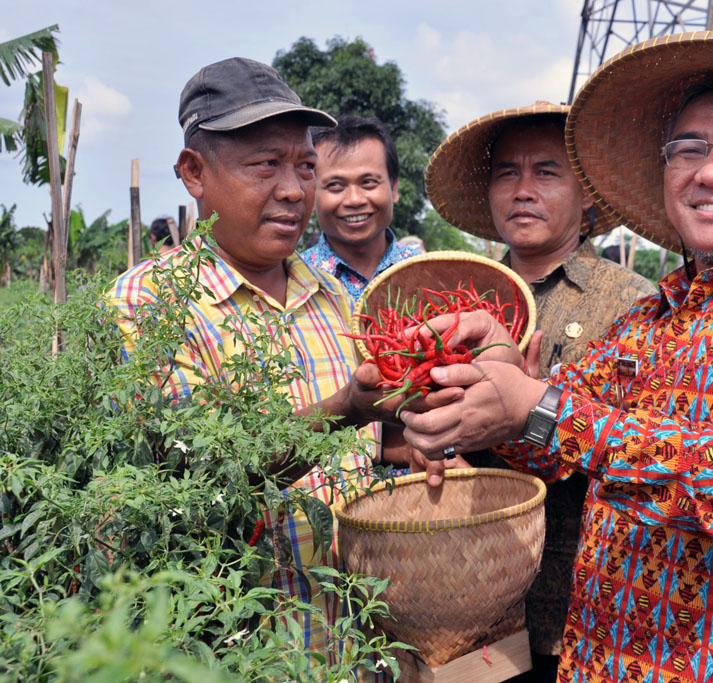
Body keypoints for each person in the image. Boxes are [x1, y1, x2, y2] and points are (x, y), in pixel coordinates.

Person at [401, 32, 713, 682]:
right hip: (596, 661)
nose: (710, 169)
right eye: (688, 149)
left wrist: (537, 405)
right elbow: (549, 443)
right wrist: (496, 376)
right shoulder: (654, 318)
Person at [108, 57, 413, 668]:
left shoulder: (330, 294)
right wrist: (346, 410)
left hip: (354, 649)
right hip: (243, 655)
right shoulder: (151, 303)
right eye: (264, 165)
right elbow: (196, 483)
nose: (294, 189)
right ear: (194, 173)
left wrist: (403, 437)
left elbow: (364, 448)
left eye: (304, 165)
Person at [425, 102, 656, 680]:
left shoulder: (632, 301)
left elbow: (639, 448)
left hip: (573, 595)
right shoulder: (460, 295)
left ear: (587, 195)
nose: (523, 189)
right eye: (508, 173)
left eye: (546, 172)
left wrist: (533, 407)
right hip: (466, 587)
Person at [301, 114, 421, 303]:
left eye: (368, 182)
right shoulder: (291, 282)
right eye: (335, 185)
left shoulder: (428, 273)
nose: (355, 200)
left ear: (394, 189)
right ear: (312, 196)